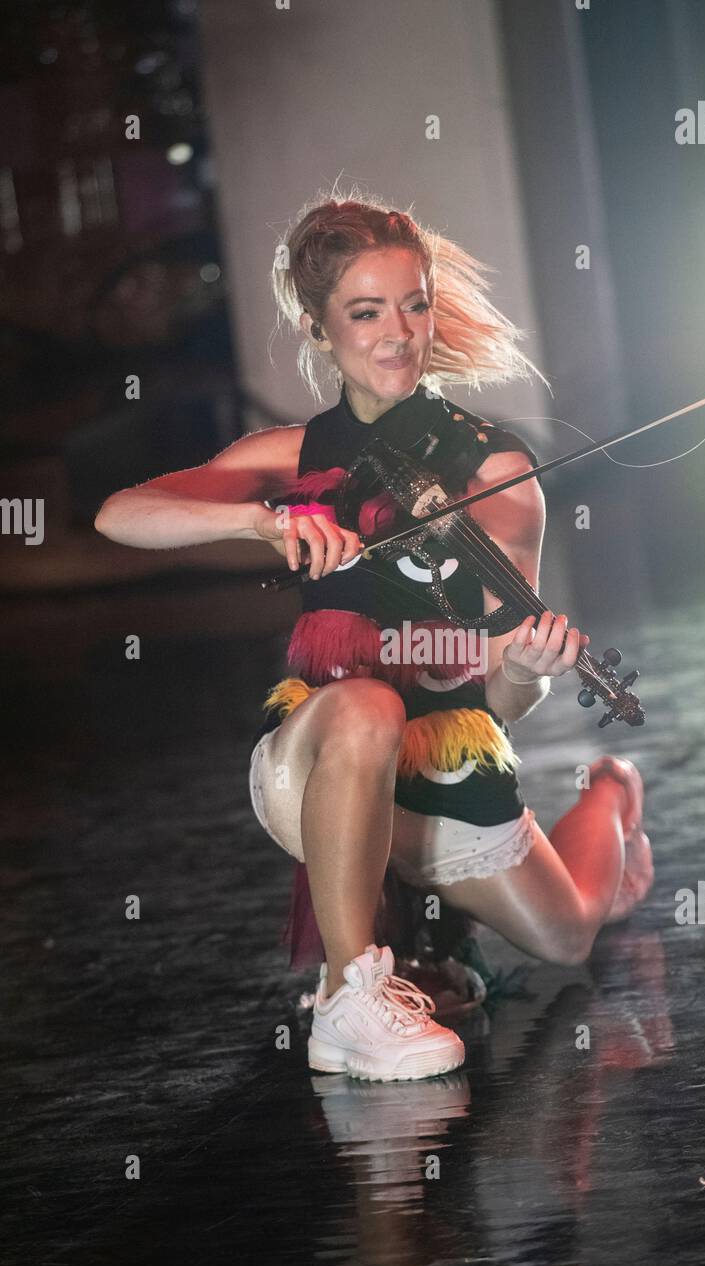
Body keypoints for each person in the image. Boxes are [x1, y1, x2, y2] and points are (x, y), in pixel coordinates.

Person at [94, 189, 654, 1085]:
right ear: (321, 329)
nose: (398, 333)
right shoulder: (292, 452)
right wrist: (262, 525)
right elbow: (121, 514)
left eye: (414, 304)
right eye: (365, 312)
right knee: (361, 704)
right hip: (322, 764)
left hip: (445, 771)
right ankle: (352, 997)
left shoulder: (498, 471)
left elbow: (497, 695)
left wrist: (532, 671)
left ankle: (611, 793)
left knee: (571, 932)